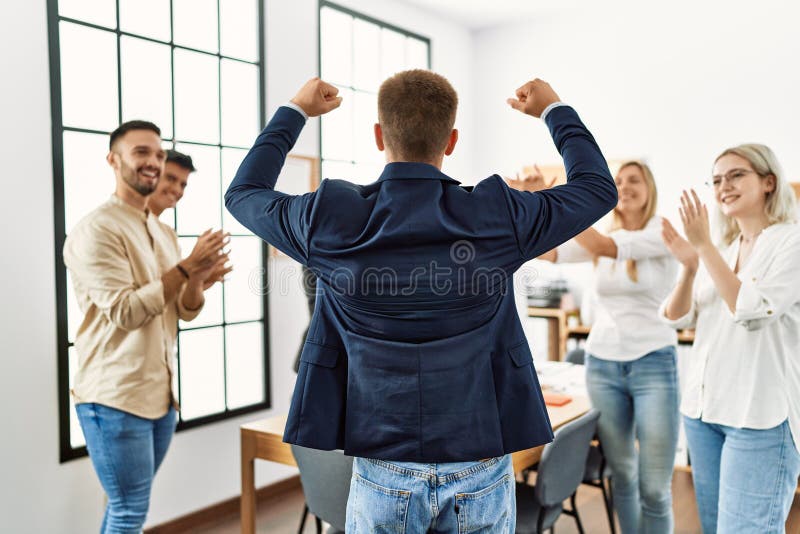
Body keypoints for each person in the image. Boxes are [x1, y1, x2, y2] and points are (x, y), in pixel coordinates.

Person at [225, 72, 618, 532]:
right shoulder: (498, 213)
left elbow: (244, 193)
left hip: (382, 464)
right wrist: (554, 110)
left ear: (378, 136)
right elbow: (596, 187)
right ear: (451, 141)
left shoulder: (328, 216)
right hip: (480, 459)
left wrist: (295, 111)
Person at [63, 122, 228, 533]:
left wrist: (195, 281)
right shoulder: (96, 229)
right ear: (114, 160)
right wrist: (187, 266)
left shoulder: (163, 231)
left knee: (126, 507)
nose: (153, 163)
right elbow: (126, 312)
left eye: (158, 154)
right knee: (129, 510)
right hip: (115, 397)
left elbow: (183, 311)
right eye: (142, 153)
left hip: (160, 396)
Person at [529, 161, 680, 533]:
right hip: (603, 364)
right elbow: (549, 252)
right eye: (618, 181)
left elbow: (601, 245)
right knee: (623, 474)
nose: (625, 187)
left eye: (634, 180)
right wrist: (534, 200)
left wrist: (563, 193)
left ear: (650, 188)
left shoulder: (661, 232)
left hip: (654, 364)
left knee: (655, 487)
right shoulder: (602, 236)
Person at [660, 144, 800, 533]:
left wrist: (703, 247)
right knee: (717, 526)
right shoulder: (724, 249)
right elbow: (676, 317)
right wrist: (690, 267)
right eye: (717, 179)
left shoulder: (791, 242)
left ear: (769, 182)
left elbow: (751, 311)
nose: (724, 186)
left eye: (737, 175)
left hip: (760, 417)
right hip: (705, 414)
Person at [146, 149, 233, 289]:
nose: (177, 190)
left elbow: (170, 295)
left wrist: (200, 279)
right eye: (170, 178)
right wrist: (191, 263)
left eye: (182, 184)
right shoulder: (122, 225)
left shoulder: (169, 235)